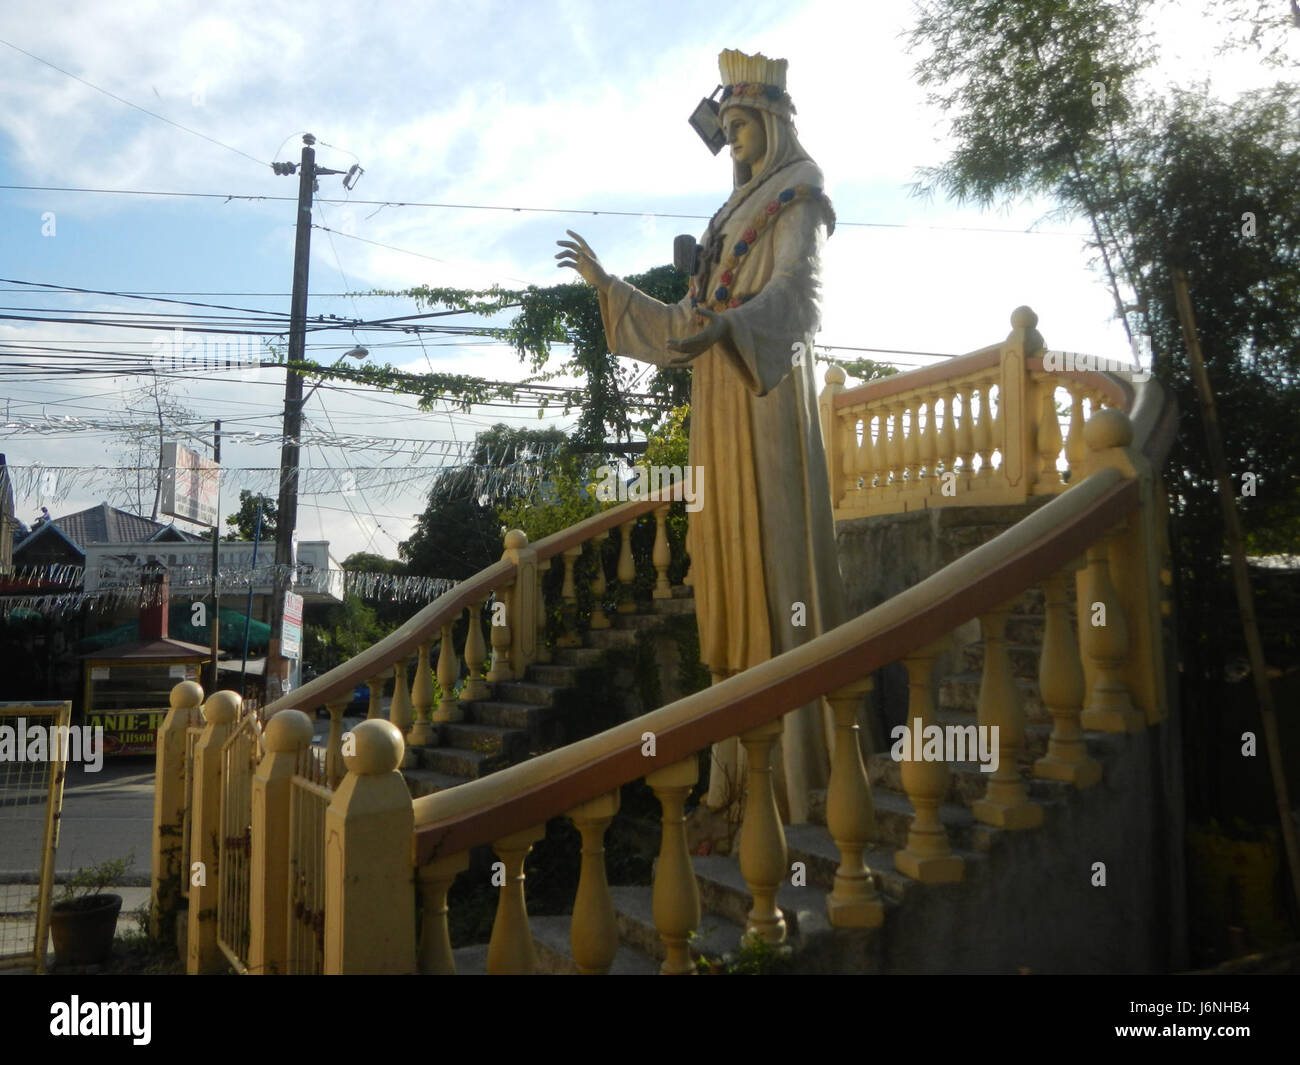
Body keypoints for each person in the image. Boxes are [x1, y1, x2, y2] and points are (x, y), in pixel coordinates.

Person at [556, 49, 846, 826]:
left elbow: (801, 296)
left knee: (773, 550)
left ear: (772, 124)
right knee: (722, 554)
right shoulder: (726, 218)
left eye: (745, 126)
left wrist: (734, 325)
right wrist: (609, 289)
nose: (736, 140)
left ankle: (794, 765)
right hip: (718, 387)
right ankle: (735, 765)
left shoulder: (799, 194)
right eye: (730, 127)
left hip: (767, 385)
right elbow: (688, 322)